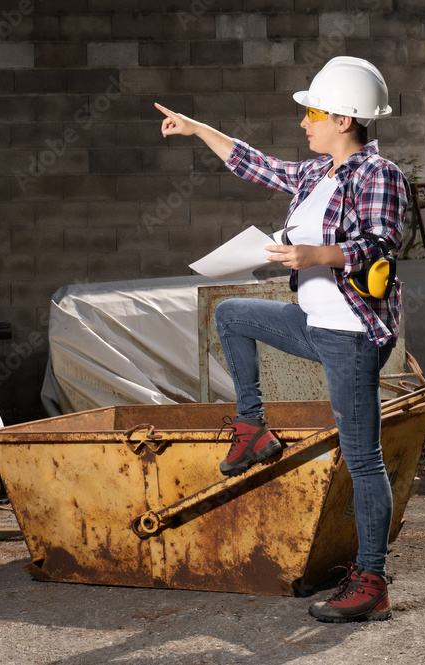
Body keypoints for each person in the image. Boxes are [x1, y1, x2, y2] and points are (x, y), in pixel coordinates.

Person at [155, 56, 409, 623]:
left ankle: (371, 581)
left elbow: (381, 242)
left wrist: (317, 255)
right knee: (234, 314)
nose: (305, 123)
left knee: (362, 458)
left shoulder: (379, 175)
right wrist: (199, 130)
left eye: (313, 112)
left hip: (352, 333)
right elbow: (255, 165)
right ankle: (253, 429)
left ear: (345, 117)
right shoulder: (317, 175)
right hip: (315, 323)